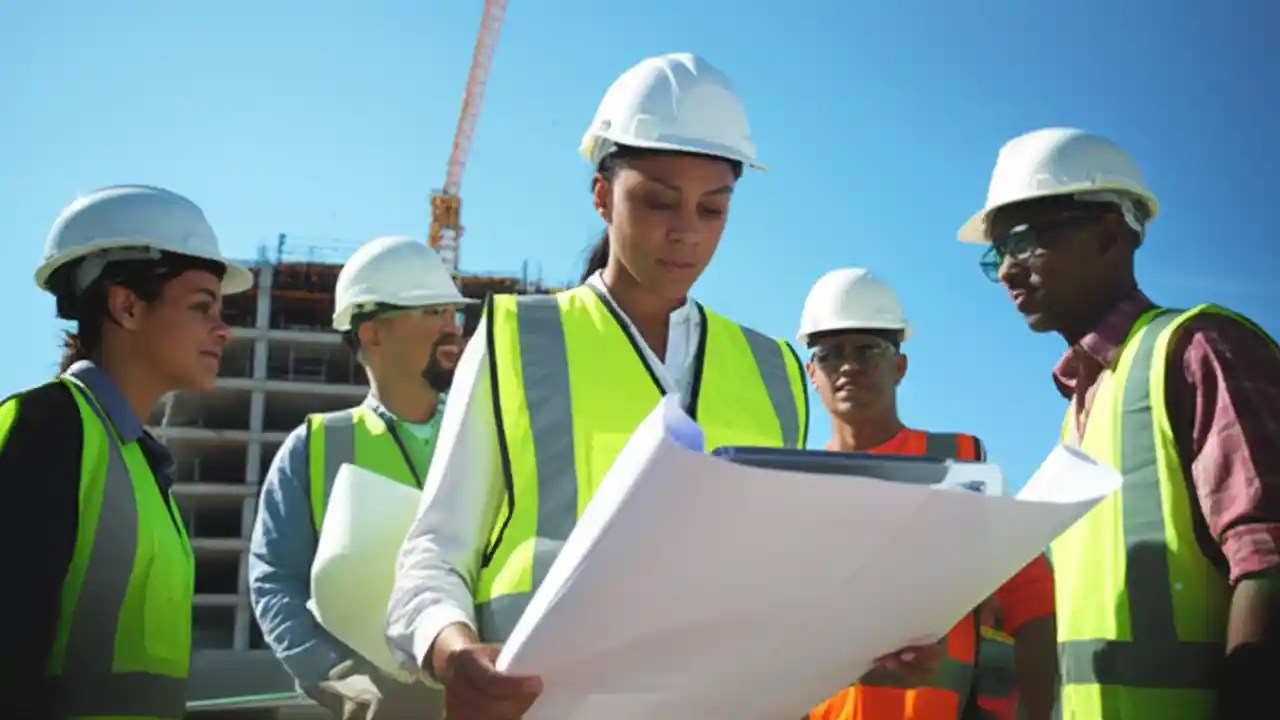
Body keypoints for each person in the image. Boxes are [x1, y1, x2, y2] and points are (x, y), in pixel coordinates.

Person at [383, 52, 944, 720]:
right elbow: (434, 552)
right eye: (657, 202)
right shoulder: (518, 340)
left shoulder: (775, 374)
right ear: (601, 195)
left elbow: (786, 580)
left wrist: (872, 626)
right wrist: (449, 650)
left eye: (713, 209)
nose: (686, 232)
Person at [959, 126, 1280, 719]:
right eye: (996, 252)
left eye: (1024, 243)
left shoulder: (1198, 350)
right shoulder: (1079, 410)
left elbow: (1268, 558)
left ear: (1110, 237)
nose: (1006, 271)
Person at [0, 184, 254, 718]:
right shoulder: (47, 429)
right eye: (202, 306)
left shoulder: (138, 461)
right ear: (127, 306)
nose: (223, 330)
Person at [796, 268, 1058, 720]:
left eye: (867, 350)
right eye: (830, 354)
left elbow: (1033, 604)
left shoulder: (958, 469)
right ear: (812, 373)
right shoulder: (794, 491)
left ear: (900, 366)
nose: (849, 367)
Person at [249, 235, 472, 719]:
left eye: (453, 314)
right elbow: (274, 581)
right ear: (372, 333)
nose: (452, 328)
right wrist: (336, 677)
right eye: (433, 313)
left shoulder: (492, 432)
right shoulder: (316, 448)